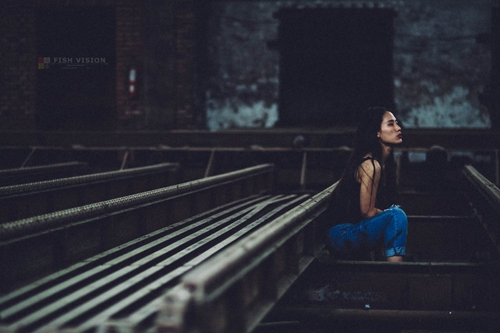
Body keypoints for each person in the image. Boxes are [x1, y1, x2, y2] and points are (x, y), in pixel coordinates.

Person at [327, 107, 408, 262]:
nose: (398, 128)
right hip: (341, 235)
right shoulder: (370, 164)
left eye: (397, 123)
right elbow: (367, 212)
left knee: (394, 213)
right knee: (397, 215)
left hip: (354, 231)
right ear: (377, 132)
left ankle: (391, 268)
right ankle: (397, 274)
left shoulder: (385, 165)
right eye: (391, 124)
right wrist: (388, 213)